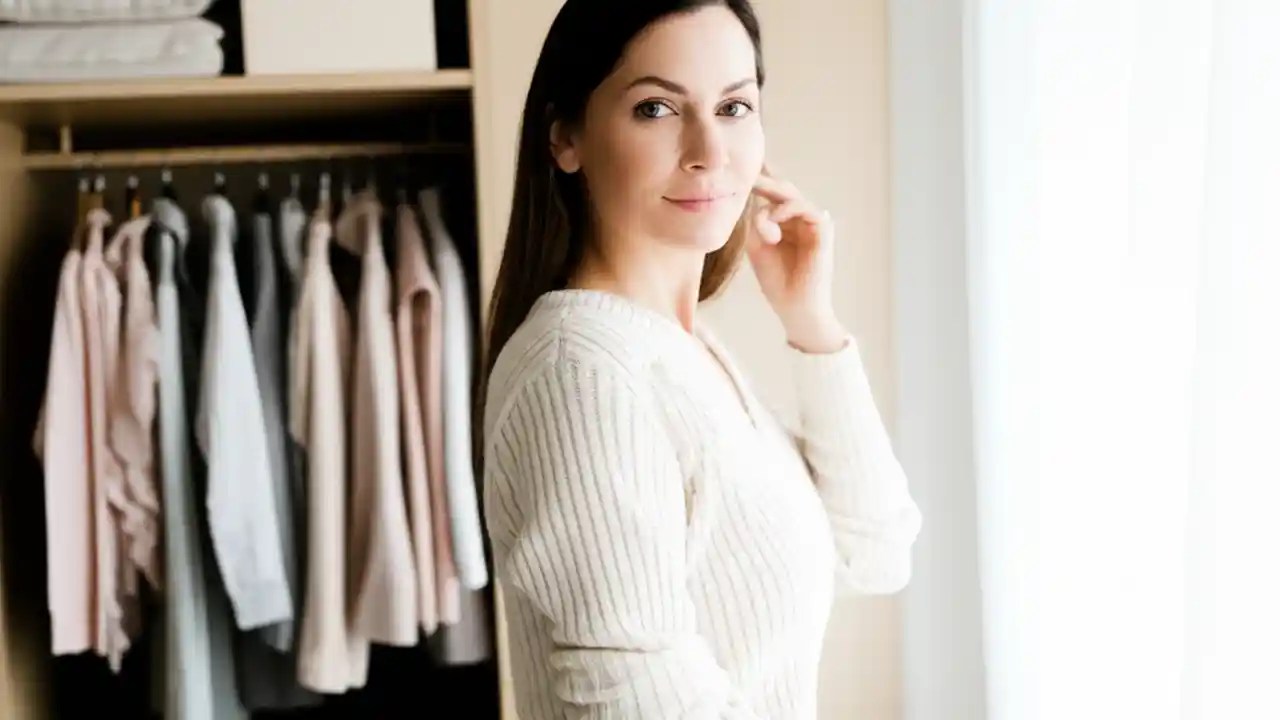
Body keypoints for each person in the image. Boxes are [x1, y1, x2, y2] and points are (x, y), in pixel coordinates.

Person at [479, 1, 923, 717]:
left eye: (733, 107)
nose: (709, 152)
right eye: (656, 108)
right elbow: (636, 695)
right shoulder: (582, 372)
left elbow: (877, 552)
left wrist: (812, 325)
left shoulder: (684, 351)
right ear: (566, 137)